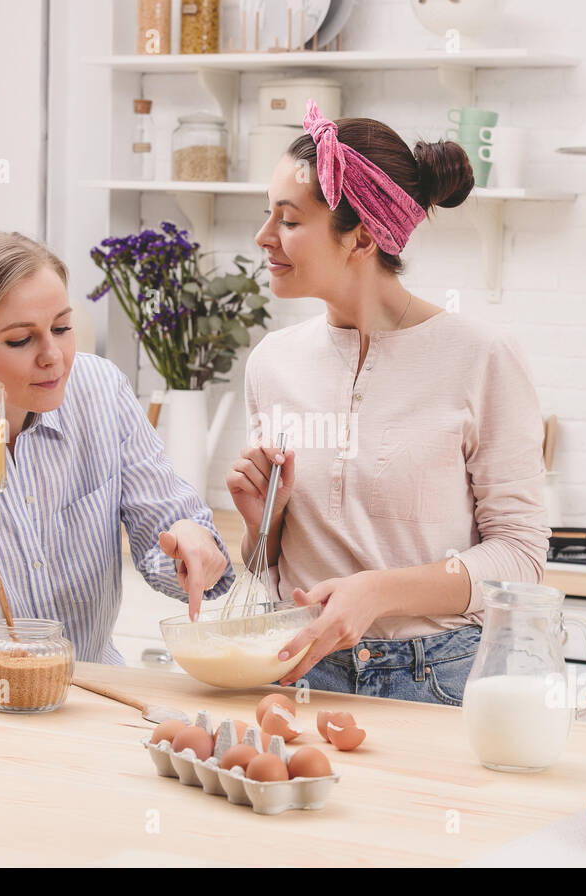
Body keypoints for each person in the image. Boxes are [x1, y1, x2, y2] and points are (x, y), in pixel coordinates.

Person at [226, 100, 549, 705]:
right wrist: (261, 526)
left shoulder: (480, 356)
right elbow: (267, 568)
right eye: (267, 215)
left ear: (365, 235)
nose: (264, 237)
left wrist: (380, 591)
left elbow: (522, 557)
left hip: (438, 679)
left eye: (289, 221)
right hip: (300, 672)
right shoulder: (273, 362)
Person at [0, 228, 234, 662]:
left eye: (62, 327)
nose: (52, 355)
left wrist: (190, 543)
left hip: (82, 686)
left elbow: (168, 530)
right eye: (21, 340)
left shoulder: (100, 390)